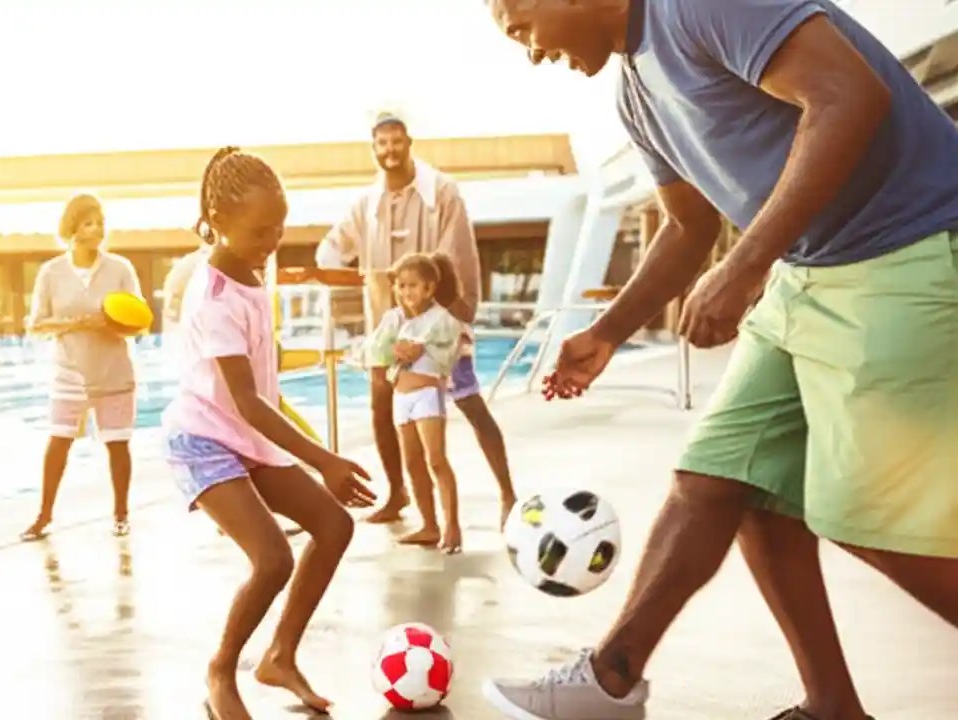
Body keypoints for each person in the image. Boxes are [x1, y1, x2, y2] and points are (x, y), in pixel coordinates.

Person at [481, 1, 958, 719]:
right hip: (808, 271)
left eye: (521, 29)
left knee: (868, 518)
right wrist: (609, 332)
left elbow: (849, 94)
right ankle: (620, 683)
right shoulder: (634, 93)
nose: (531, 53)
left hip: (909, 246)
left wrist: (742, 268)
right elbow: (686, 226)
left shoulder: (698, 5)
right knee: (728, 479)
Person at [162, 146, 377, 719]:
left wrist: (317, 457)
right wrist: (323, 460)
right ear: (219, 221)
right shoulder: (212, 299)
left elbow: (265, 380)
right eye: (260, 232)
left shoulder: (253, 272)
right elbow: (250, 403)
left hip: (243, 435)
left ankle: (280, 654)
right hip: (204, 441)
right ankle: (220, 670)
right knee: (273, 559)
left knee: (332, 525)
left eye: (279, 227)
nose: (273, 240)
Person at [315, 112, 516, 527]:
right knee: (381, 404)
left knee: (470, 403)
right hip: (387, 332)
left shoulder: (442, 192)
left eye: (397, 141)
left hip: (438, 328)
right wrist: (344, 276)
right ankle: (397, 493)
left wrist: (437, 327)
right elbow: (331, 249)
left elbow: (454, 258)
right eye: (382, 144)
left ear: (409, 143)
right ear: (374, 149)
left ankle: (508, 494)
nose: (390, 150)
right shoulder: (365, 204)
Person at [21, 194, 141, 541]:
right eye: (89, 222)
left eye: (101, 221)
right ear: (72, 229)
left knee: (117, 444)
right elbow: (36, 324)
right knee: (59, 442)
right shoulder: (51, 273)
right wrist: (74, 323)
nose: (98, 229)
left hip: (113, 372)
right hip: (69, 372)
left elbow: (138, 322)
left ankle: (121, 515)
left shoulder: (120, 269)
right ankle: (43, 516)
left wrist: (107, 323)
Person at [364, 252, 467, 553]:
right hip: (401, 398)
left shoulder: (442, 320)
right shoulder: (393, 319)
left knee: (435, 459)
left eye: (412, 285)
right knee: (412, 462)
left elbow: (446, 354)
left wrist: (420, 348)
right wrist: (393, 349)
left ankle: (452, 526)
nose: (405, 292)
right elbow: (375, 352)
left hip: (426, 396)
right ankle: (429, 525)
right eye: (401, 285)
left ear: (429, 288)